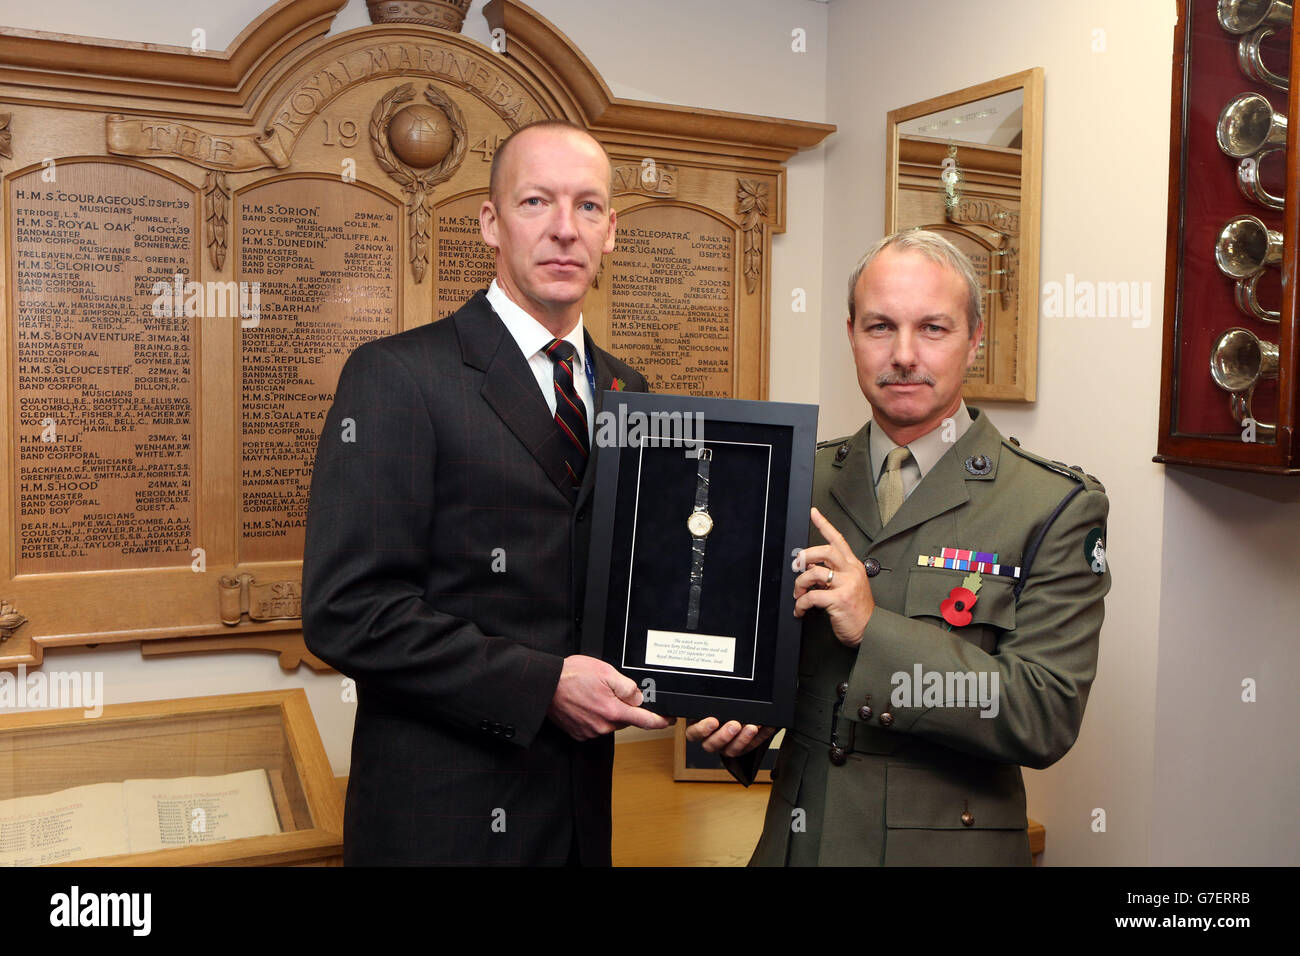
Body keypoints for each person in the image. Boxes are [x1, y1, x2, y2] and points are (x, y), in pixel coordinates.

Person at [303, 120, 670, 866]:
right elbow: (348, 611)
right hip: (440, 825)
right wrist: (540, 687)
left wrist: (725, 694)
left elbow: (646, 589)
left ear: (611, 235)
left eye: (589, 207)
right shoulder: (397, 377)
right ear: (491, 223)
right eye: (536, 202)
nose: (565, 230)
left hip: (578, 821)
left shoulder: (634, 395)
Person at [688, 229, 1111, 865]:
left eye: (933, 328)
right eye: (881, 326)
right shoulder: (798, 478)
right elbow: (773, 677)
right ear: (851, 334)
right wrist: (736, 727)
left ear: (976, 339)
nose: (904, 354)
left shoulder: (1052, 504)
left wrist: (873, 630)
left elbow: (1043, 713)